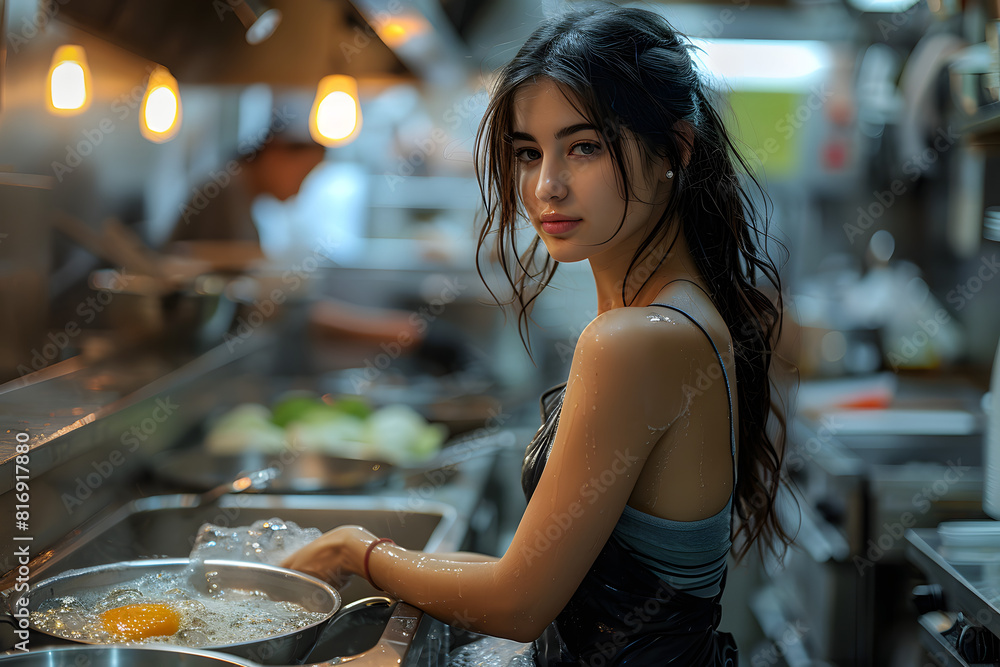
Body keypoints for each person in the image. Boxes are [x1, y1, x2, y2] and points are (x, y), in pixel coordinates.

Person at [283, 6, 794, 664]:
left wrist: (355, 548)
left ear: (676, 150)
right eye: (529, 152)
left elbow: (517, 604)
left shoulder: (638, 338)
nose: (545, 186)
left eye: (583, 146)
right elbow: (550, 580)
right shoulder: (664, 313)